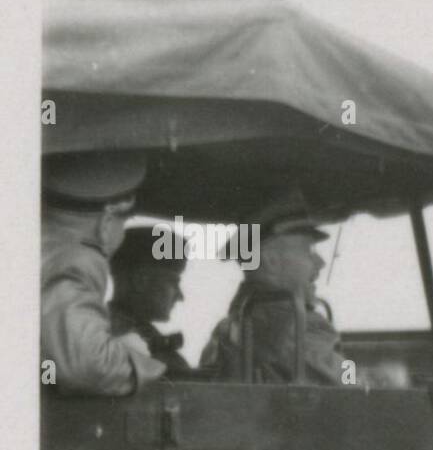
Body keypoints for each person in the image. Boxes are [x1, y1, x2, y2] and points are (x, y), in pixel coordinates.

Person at [41, 152, 166, 396]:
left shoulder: (37, 245)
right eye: (124, 221)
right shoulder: (77, 259)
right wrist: (135, 356)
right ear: (107, 221)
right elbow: (87, 365)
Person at [201, 188, 347, 385]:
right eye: (307, 250)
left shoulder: (227, 329)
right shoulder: (298, 328)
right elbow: (349, 380)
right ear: (271, 260)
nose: (320, 262)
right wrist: (367, 375)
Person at [109, 225, 190, 378]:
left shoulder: (139, 335)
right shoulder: (119, 342)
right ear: (141, 281)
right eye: (173, 282)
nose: (180, 296)